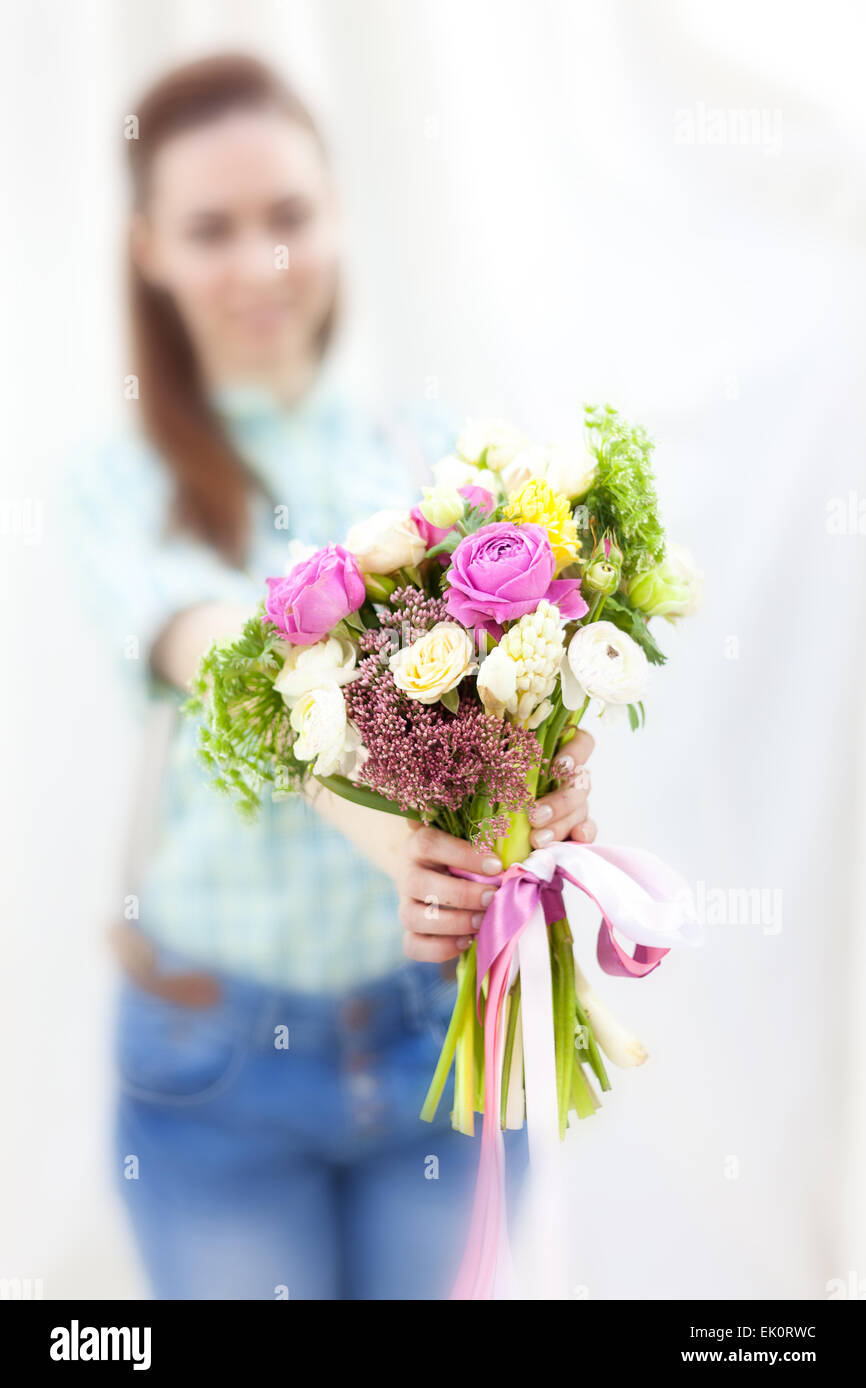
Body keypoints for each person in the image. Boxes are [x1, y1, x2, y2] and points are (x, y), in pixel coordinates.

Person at [73, 54, 596, 1300]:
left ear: (338, 217)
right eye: (212, 229)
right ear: (148, 248)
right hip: (218, 1074)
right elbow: (215, 652)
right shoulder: (122, 486)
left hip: (436, 1048)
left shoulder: (436, 458)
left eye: (288, 216)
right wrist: (366, 813)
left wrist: (549, 783)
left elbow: (511, 702)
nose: (260, 264)